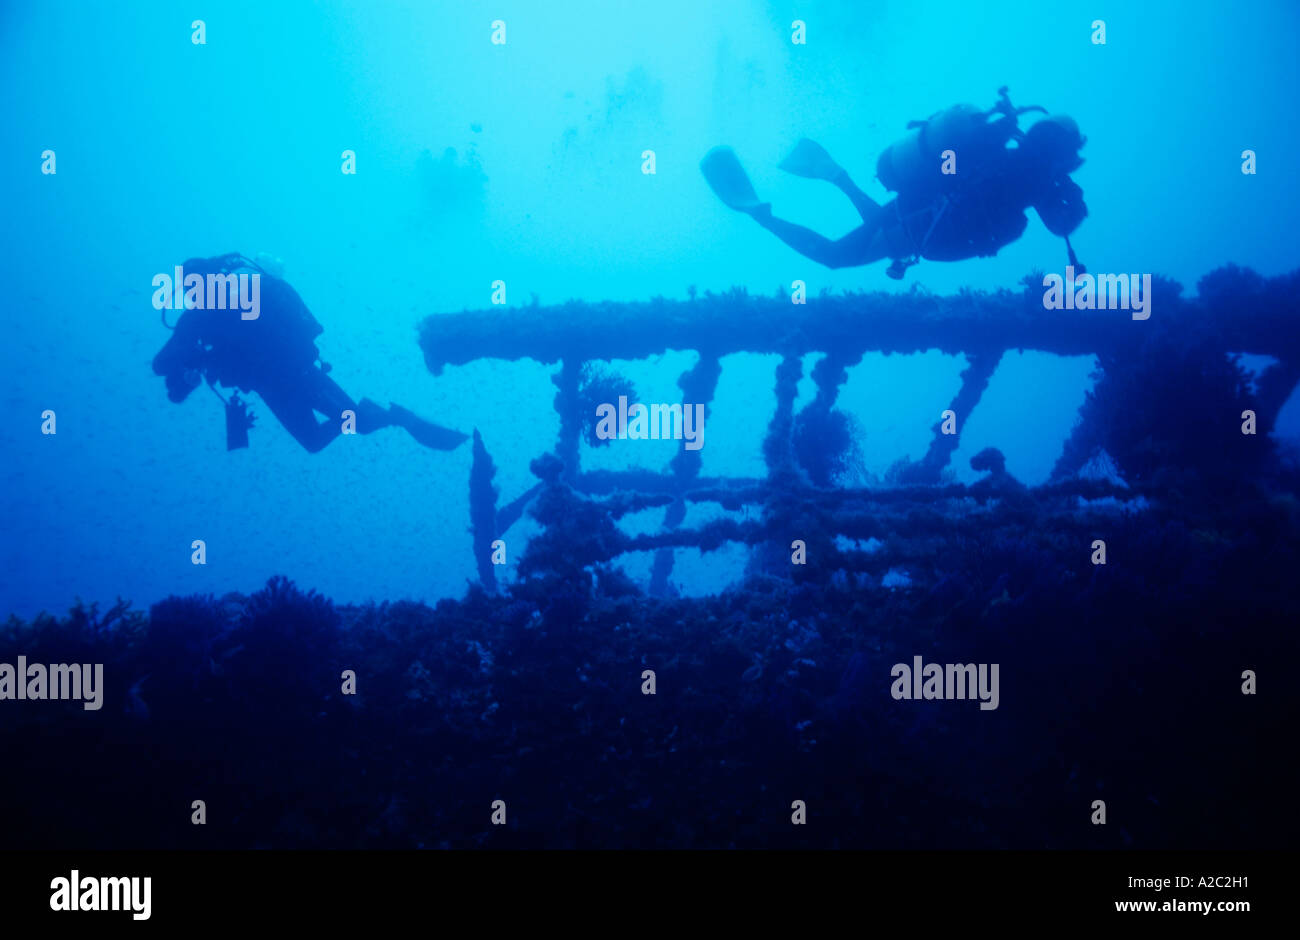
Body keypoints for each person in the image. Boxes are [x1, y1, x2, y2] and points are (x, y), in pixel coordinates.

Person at [701, 87, 1088, 279]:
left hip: (922, 205)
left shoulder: (1010, 153)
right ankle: (763, 216)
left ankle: (841, 179)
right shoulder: (1038, 177)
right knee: (836, 257)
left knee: (881, 226)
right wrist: (1072, 195)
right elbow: (1060, 225)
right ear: (1065, 152)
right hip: (928, 223)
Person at [152, 252, 467, 453]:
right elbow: (160, 365)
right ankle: (368, 412)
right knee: (314, 442)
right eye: (191, 290)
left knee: (361, 424)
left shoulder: (245, 296)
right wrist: (188, 363)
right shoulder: (194, 321)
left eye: (201, 285)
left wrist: (204, 355)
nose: (197, 294)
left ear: (216, 278)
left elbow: (286, 326)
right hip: (270, 389)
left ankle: (396, 416)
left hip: (302, 376)